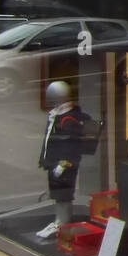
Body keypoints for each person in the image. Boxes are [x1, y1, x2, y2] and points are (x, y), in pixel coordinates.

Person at [35, 81, 94, 240]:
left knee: (64, 194)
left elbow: (71, 146)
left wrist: (64, 164)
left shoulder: (68, 119)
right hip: (54, 162)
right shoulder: (57, 115)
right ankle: (59, 221)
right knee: (58, 193)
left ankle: (62, 222)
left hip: (64, 165)